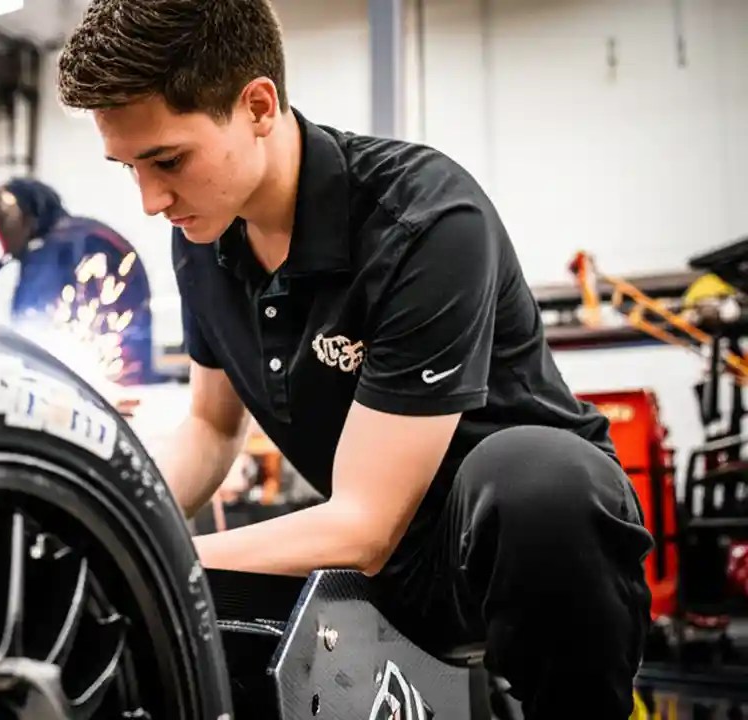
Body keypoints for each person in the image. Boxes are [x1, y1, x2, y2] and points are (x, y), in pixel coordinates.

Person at [55, 1, 654, 717]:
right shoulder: (203, 239)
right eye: (129, 168)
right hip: (367, 564)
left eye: (168, 160)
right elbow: (212, 427)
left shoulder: (424, 219)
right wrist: (101, 520)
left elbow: (366, 526)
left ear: (257, 106)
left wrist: (139, 555)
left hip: (507, 553)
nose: (151, 200)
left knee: (540, 479)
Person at [0, 177, 155, 386]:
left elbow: (33, 321)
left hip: (108, 376)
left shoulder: (54, 246)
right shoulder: (82, 232)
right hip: (127, 368)